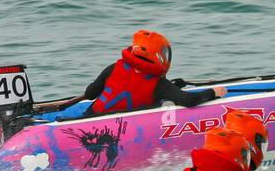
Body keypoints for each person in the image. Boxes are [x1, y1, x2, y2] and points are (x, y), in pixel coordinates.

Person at [34, 30, 227, 122]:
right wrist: (214, 92)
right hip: (114, 125)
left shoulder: (114, 68)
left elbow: (91, 93)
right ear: (158, 56)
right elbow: (188, 100)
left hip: (91, 117)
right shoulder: (159, 85)